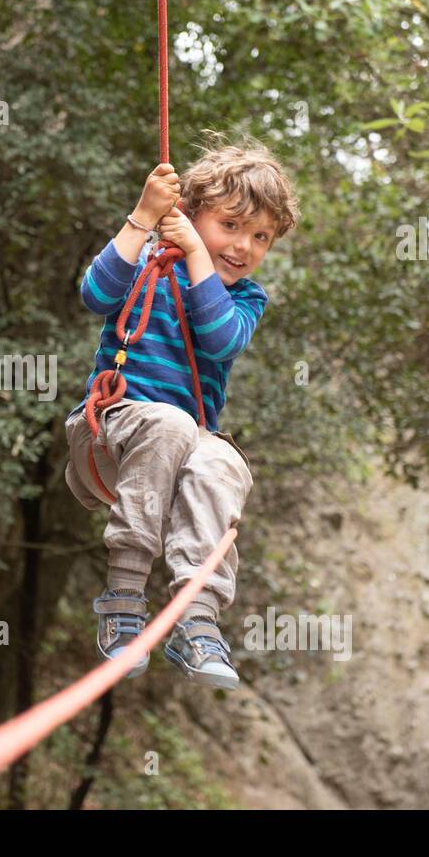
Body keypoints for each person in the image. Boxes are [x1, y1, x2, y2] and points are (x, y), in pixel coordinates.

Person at [64, 132, 300, 689]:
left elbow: (219, 340)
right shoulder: (147, 262)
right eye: (231, 226)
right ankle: (124, 597)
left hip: (180, 446)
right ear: (191, 214)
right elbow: (95, 295)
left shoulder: (245, 299)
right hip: (108, 435)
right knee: (170, 423)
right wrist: (144, 217)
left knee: (224, 462)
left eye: (261, 236)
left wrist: (197, 252)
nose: (244, 246)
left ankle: (196, 618)